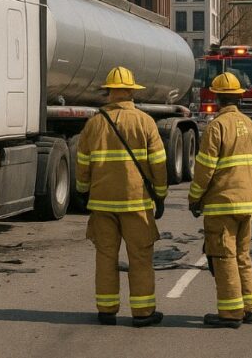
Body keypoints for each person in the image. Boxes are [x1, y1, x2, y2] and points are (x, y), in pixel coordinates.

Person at [76, 66, 167, 328]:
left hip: (102, 203)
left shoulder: (94, 124)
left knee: (105, 256)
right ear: (131, 91)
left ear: (108, 93)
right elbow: (159, 164)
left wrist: (83, 191)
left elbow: (83, 163)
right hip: (136, 202)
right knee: (140, 257)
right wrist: (160, 195)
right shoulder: (145, 121)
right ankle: (142, 313)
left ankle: (106, 311)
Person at [189, 73, 252, 329]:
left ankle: (231, 314)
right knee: (243, 255)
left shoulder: (216, 126)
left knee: (223, 257)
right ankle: (248, 306)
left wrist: (195, 197)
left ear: (218, 97)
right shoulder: (251, 125)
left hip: (223, 205)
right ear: (239, 97)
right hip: (247, 203)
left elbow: (205, 168)